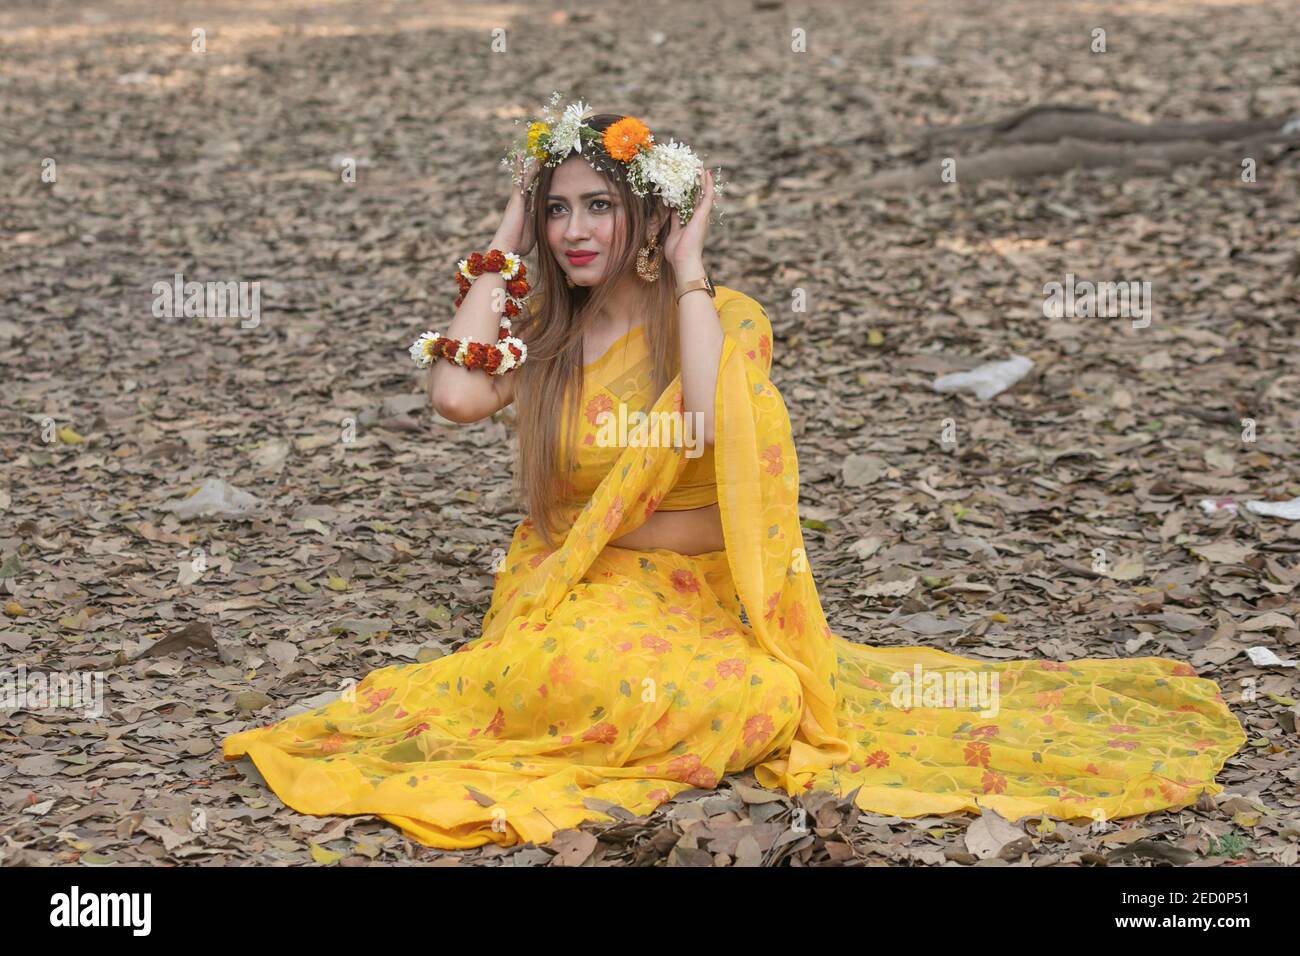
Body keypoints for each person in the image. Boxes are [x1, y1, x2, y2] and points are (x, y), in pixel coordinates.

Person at [222, 96, 1246, 851]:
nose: (575, 231)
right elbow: (452, 395)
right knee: (589, 678)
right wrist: (499, 241)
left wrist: (693, 262)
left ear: (644, 219)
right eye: (557, 210)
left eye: (598, 207)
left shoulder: (713, 322)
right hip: (583, 598)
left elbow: (711, 425)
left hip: (706, 604)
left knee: (750, 695)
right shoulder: (547, 344)